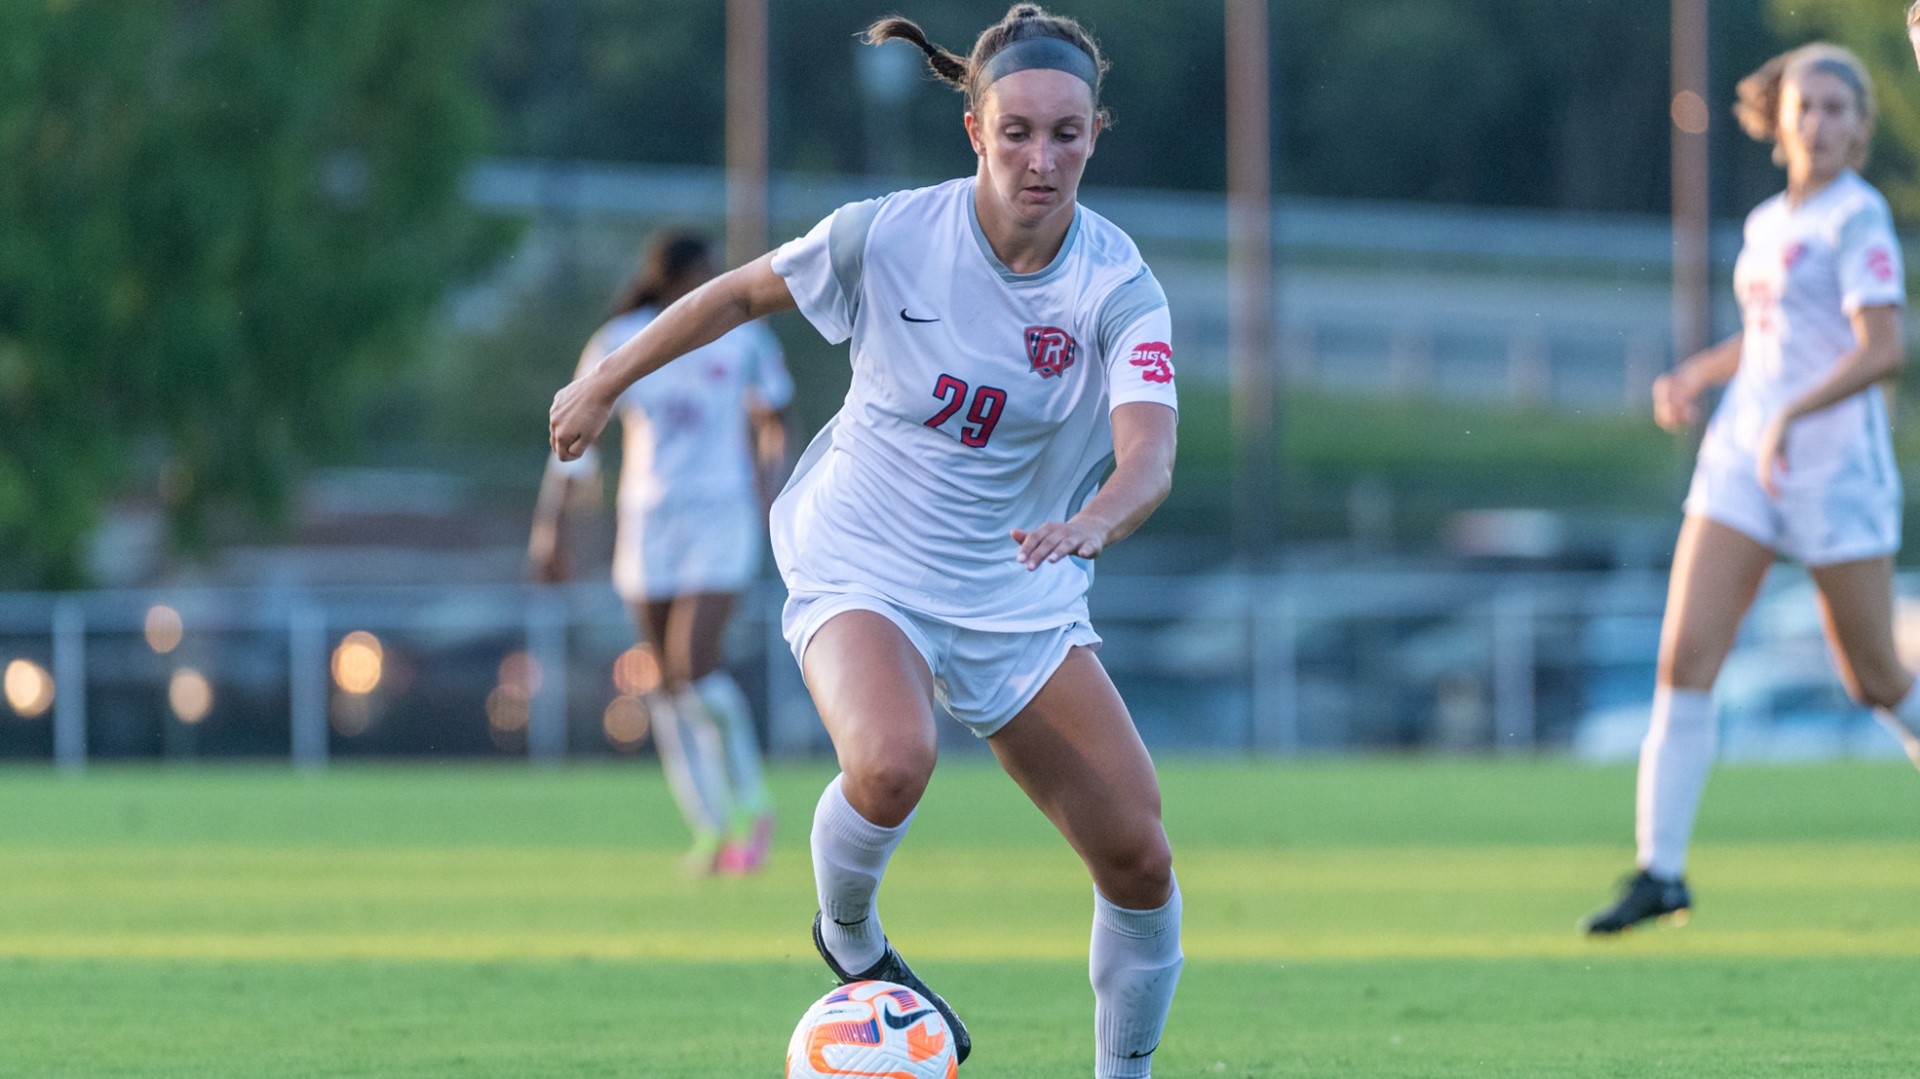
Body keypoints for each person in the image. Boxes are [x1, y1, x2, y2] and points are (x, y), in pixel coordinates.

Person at [550, 6, 1182, 1072]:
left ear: (1096, 134)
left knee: (1139, 856)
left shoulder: (1115, 285)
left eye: (1067, 133)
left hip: (1016, 583)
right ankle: (849, 932)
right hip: (862, 557)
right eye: (1018, 131)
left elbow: (1149, 456)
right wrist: (604, 379)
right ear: (974, 131)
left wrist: (1094, 519)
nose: (1043, 157)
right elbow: (742, 292)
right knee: (890, 762)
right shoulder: (889, 235)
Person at [1583, 42, 1920, 936]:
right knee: (1683, 657)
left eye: (1837, 108)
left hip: (1833, 467)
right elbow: (1772, 337)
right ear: (1780, 120)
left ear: (1860, 127)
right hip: (1743, 457)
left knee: (1876, 681)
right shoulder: (1770, 220)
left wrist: (1791, 413)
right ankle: (1661, 870)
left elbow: (1884, 349)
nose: (1819, 122)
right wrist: (1702, 372)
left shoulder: (1860, 219)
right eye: (1805, 105)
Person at [530, 230, 791, 876]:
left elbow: (776, 417)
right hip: (648, 520)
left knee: (694, 667)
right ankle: (709, 828)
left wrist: (772, 484)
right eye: (698, 273)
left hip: (721, 514)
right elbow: (575, 426)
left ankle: (752, 805)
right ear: (670, 277)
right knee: (669, 686)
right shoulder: (621, 339)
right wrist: (552, 523)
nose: (710, 283)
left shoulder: (743, 336)